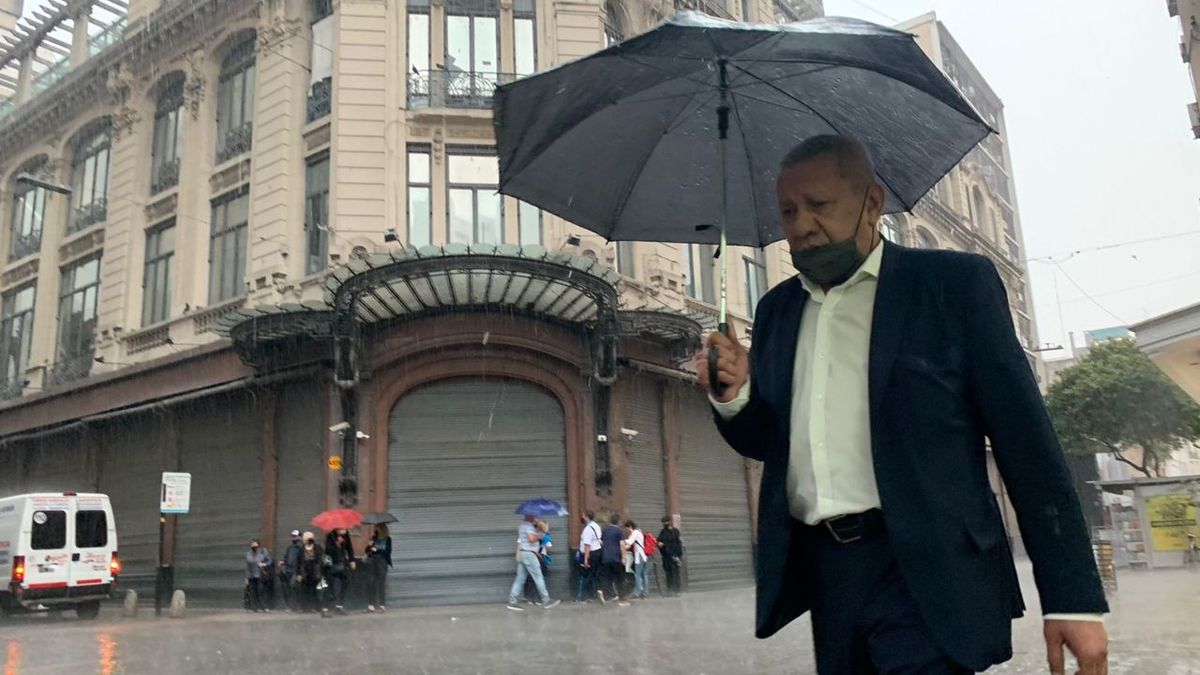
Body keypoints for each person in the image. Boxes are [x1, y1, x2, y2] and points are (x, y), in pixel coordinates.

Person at [702, 134, 1109, 675]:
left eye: (819, 206)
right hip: (829, 576)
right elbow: (773, 441)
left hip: (930, 572)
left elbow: (1027, 446)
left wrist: (1072, 597)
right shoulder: (778, 310)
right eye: (788, 210)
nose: (800, 226)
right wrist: (733, 396)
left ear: (873, 204)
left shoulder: (951, 286)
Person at [506, 514, 560, 611]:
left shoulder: (523, 525)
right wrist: (541, 535)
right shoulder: (528, 526)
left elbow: (525, 541)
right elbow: (531, 539)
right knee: (538, 577)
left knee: (520, 579)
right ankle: (546, 600)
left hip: (524, 553)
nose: (537, 518)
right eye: (535, 517)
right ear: (530, 516)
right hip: (529, 555)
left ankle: (512, 601)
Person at [324, 529, 356, 615]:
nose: (343, 529)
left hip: (343, 563)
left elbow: (349, 548)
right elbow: (327, 550)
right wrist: (337, 543)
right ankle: (332, 605)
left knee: (345, 583)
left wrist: (352, 560)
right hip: (333, 564)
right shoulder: (330, 535)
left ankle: (339, 605)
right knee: (334, 586)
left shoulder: (346, 534)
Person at [523, 520, 553, 604]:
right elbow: (549, 549)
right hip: (542, 561)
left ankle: (530, 597)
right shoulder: (546, 537)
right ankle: (540, 599)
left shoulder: (535, 536)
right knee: (540, 579)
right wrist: (548, 550)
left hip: (533, 559)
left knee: (532, 579)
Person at [576, 511, 603, 602]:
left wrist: (586, 559)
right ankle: (596, 593)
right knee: (595, 575)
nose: (582, 518)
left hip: (590, 554)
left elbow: (587, 545)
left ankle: (586, 597)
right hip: (598, 553)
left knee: (587, 575)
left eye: (583, 516)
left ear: (587, 517)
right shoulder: (597, 526)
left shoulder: (587, 529)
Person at [365, 524, 393, 612]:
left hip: (382, 562)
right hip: (373, 562)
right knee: (371, 583)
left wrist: (377, 550)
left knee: (381, 584)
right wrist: (369, 546)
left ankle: (382, 605)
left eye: (376, 529)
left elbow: (388, 551)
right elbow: (367, 551)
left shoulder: (387, 539)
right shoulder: (373, 538)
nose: (375, 531)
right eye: (374, 529)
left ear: (382, 529)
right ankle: (371, 605)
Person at [599, 513, 625, 603]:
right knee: (620, 578)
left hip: (606, 558)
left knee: (607, 578)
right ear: (618, 521)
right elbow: (622, 545)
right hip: (616, 558)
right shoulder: (619, 531)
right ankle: (621, 598)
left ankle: (603, 592)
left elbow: (601, 542)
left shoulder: (605, 530)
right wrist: (624, 558)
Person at [296, 531, 324, 614]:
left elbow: (321, 559)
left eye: (307, 539)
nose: (305, 540)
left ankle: (315, 607)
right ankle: (305, 607)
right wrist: (298, 574)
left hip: (315, 571)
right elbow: (298, 562)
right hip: (305, 571)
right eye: (304, 539)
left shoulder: (318, 548)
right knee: (305, 590)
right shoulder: (301, 549)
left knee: (315, 590)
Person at [243, 538, 273, 613]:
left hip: (261, 575)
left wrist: (264, 564)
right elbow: (247, 566)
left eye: (255, 544)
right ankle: (254, 607)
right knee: (253, 592)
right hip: (251, 575)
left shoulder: (263, 551)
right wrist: (246, 577)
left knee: (261, 591)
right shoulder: (248, 553)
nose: (253, 545)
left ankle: (264, 606)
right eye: (252, 544)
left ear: (258, 545)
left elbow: (270, 560)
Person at [657, 516, 683, 595]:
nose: (665, 524)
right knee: (668, 574)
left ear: (669, 522)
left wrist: (679, 556)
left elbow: (679, 543)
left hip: (674, 556)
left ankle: (677, 590)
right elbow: (659, 542)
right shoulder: (662, 532)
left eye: (666, 522)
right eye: (663, 522)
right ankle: (670, 589)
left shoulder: (675, 531)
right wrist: (659, 544)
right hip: (666, 557)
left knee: (675, 573)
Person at [623, 520, 648, 600]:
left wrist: (621, 541)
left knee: (638, 574)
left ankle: (637, 592)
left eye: (627, 529)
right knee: (644, 575)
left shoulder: (635, 533)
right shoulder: (639, 532)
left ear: (630, 526)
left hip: (639, 556)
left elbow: (629, 542)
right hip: (643, 556)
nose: (627, 531)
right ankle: (645, 592)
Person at [280, 530, 303, 612]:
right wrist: (283, 562)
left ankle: (298, 606)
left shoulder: (302, 548)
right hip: (288, 571)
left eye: (295, 536)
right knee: (289, 589)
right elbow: (286, 558)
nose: (294, 538)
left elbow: (302, 561)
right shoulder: (290, 547)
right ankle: (291, 606)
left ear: (300, 537)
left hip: (296, 571)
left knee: (296, 589)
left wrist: (300, 573)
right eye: (293, 536)